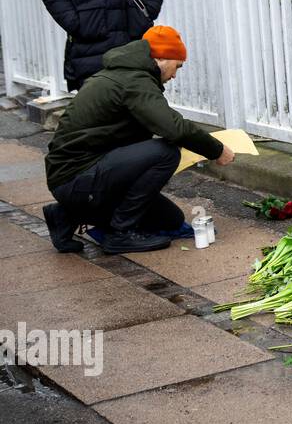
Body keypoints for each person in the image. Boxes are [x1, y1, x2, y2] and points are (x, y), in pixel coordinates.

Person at [43, 25, 235, 255]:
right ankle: (120, 234)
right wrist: (217, 150)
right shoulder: (133, 79)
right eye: (177, 66)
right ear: (163, 57)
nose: (174, 75)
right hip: (75, 176)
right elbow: (174, 128)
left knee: (170, 219)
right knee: (165, 153)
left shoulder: (128, 74)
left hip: (83, 175)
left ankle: (65, 215)